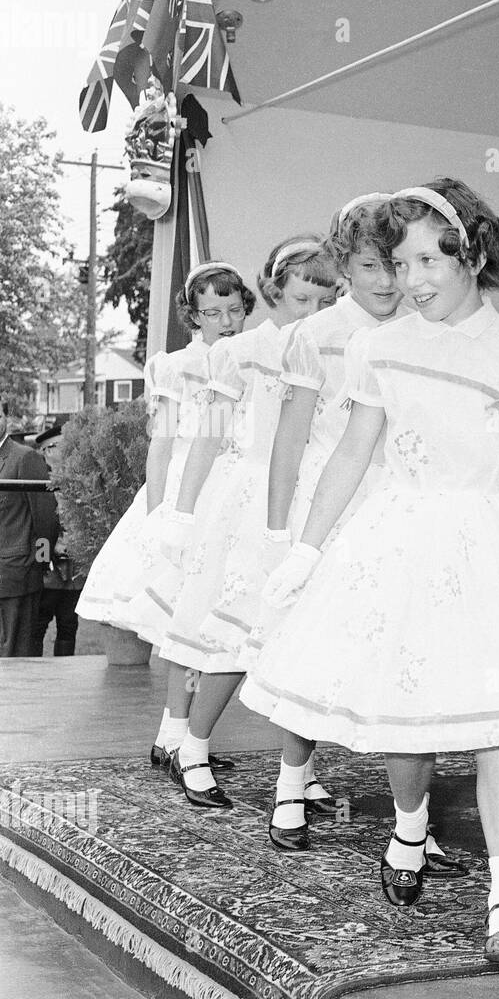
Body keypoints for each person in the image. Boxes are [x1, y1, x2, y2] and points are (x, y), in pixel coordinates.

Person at [239, 179, 499, 966]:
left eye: (429, 259)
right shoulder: (378, 347)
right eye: (401, 261)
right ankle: (410, 828)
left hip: (498, 545)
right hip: (401, 538)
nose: (411, 279)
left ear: (473, 255)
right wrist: (306, 550)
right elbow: (352, 453)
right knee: (404, 705)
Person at [224, 195, 405, 850]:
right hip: (327, 514)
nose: (386, 280)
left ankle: (410, 824)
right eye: (369, 266)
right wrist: (280, 533)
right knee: (311, 655)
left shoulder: (418, 330)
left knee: (396, 660)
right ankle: (290, 785)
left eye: (395, 264)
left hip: (399, 514)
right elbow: (290, 441)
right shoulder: (316, 336)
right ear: (344, 270)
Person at [156, 239, 338, 811]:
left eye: (324, 299)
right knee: (233, 633)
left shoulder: (333, 347)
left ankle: (300, 769)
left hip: (310, 496)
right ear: (274, 291)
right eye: (301, 298)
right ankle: (192, 744)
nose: (311, 311)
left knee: (299, 641)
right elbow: (206, 435)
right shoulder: (237, 353)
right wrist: (180, 512)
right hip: (247, 498)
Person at [119, 262, 255, 773]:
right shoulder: (178, 366)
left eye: (234, 310)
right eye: (212, 313)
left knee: (211, 617)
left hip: (233, 492)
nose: (226, 321)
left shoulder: (248, 360)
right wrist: (161, 515)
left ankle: (173, 736)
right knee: (185, 615)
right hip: (189, 491)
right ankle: (175, 733)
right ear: (192, 317)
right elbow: (164, 446)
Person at [0, 399, 57, 657]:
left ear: (5, 418)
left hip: (17, 576)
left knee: (16, 658)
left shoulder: (25, 458)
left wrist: (39, 564)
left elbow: (46, 518)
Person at [33, 425, 84, 655]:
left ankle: (64, 677)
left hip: (74, 569)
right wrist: (43, 561)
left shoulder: (78, 478)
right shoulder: (35, 480)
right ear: (47, 450)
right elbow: (36, 526)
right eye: (60, 445)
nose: (67, 450)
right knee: (38, 625)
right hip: (48, 569)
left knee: (68, 625)